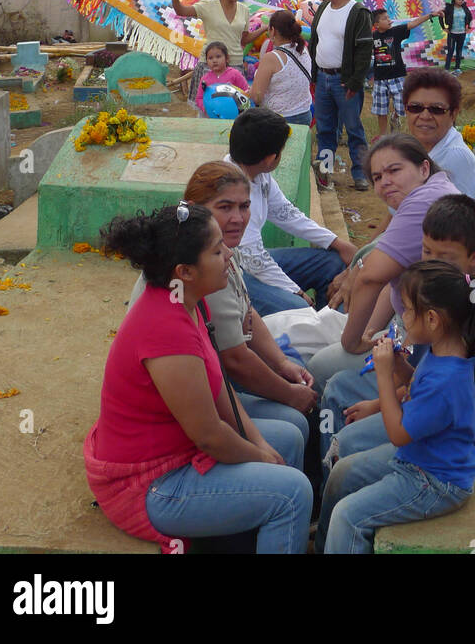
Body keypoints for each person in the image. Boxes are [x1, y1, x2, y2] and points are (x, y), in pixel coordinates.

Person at [84, 202, 313, 554]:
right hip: (151, 483)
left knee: (287, 438)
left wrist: (260, 446)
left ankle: (253, 538)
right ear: (185, 271)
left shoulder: (191, 302)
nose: (229, 256)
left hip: (177, 450)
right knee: (293, 493)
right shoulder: (165, 329)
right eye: (217, 250)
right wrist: (259, 457)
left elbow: (220, 388)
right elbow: (209, 436)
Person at [320, 193, 475, 484]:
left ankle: (334, 486)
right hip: (422, 390)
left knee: (348, 441)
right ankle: (323, 481)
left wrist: (380, 404)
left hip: (450, 421)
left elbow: (439, 395)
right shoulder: (442, 288)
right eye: (426, 251)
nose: (431, 263)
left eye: (444, 257)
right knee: (337, 387)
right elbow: (421, 375)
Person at [319, 260, 475, 554]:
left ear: (432, 319)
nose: (403, 316)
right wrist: (400, 367)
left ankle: (340, 541)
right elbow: (418, 389)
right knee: (343, 473)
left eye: (408, 310)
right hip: (420, 457)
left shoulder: (447, 380)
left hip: (434, 481)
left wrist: (384, 375)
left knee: (348, 516)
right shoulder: (446, 351)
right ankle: (325, 545)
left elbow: (399, 434)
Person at [307, 134, 475, 393]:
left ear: (424, 168)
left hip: (448, 356)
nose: (385, 182)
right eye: (377, 177)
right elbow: (393, 279)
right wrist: (370, 332)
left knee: (321, 370)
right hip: (425, 336)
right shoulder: (434, 191)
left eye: (394, 170)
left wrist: (352, 342)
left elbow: (371, 278)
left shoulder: (423, 202)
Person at [128, 163, 317, 431]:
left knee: (296, 369)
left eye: (244, 206)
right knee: (293, 420)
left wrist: (282, 363)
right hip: (184, 398)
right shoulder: (199, 268)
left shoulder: (221, 248)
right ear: (195, 210)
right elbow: (234, 359)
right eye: (225, 207)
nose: (238, 218)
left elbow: (246, 311)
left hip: (210, 374)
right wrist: (290, 395)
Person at [228, 109, 356, 315]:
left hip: (252, 262)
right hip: (232, 275)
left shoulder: (258, 175)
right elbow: (252, 259)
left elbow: (286, 214)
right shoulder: (230, 187)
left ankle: (330, 322)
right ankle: (313, 331)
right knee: (301, 310)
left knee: (333, 262)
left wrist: (337, 243)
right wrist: (295, 292)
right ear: (271, 158)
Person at [308, 0, 373, 191]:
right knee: (325, 130)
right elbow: (315, 43)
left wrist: (355, 82)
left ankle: (361, 174)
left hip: (343, 82)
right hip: (323, 79)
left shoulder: (358, 13)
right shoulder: (323, 8)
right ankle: (325, 172)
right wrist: (314, 75)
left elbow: (365, 51)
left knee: (354, 128)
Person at [170, 0, 267, 110]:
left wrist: (264, 28)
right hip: (209, 67)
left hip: (235, 66)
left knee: (234, 111)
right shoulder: (208, 6)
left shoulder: (244, 10)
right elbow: (182, 11)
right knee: (207, 109)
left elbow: (244, 40)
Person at [402, 67, 475, 202]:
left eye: (437, 109)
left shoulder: (454, 156)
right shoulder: (419, 147)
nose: (425, 116)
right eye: (415, 107)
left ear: (453, 114)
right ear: (406, 110)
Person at [370, 6, 439, 137]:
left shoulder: (396, 32)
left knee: (403, 106)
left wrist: (431, 15)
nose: (389, 20)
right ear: (376, 25)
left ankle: (395, 116)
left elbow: (413, 23)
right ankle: (383, 137)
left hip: (397, 77)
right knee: (381, 110)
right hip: (380, 79)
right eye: (385, 19)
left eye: (389, 17)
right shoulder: (372, 37)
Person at [250, 10, 313, 126]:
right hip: (305, 114)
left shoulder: (272, 58)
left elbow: (257, 96)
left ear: (273, 31)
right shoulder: (303, 49)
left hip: (279, 119)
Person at [196, 42, 248, 116]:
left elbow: (245, 91)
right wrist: (206, 108)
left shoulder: (235, 74)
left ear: (227, 58)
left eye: (218, 57)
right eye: (210, 58)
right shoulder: (205, 79)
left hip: (232, 115)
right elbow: (199, 98)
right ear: (206, 61)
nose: (214, 60)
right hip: (211, 115)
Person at [442, 0, 472, 74]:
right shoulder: (449, 8)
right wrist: (443, 27)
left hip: (462, 33)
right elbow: (440, 16)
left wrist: (469, 27)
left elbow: (470, 17)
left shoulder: (464, 8)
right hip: (452, 33)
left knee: (459, 51)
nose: (461, 1)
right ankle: (446, 69)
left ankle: (457, 67)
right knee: (450, 51)